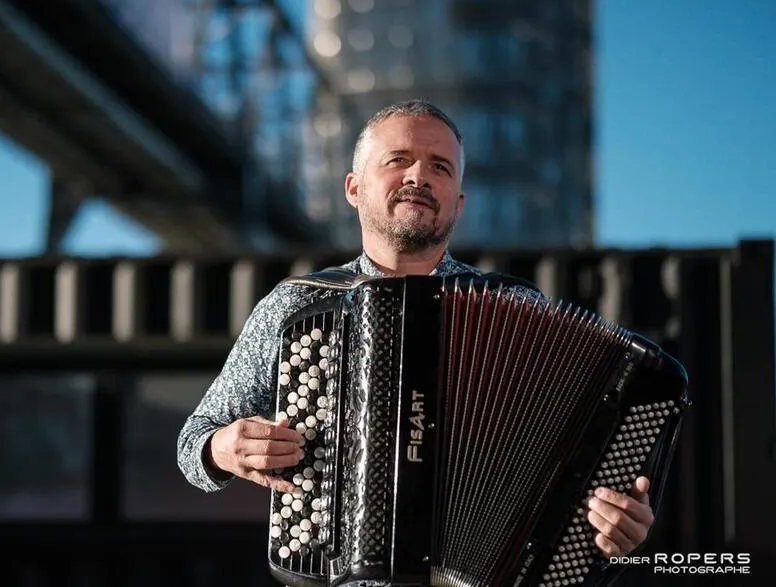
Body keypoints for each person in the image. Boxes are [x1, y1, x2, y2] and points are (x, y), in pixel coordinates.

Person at [176, 99, 656, 560]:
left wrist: (613, 522)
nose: (419, 177)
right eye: (398, 160)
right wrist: (223, 447)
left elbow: (578, 461)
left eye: (440, 168)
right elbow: (194, 441)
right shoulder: (297, 305)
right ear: (354, 187)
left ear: (458, 203)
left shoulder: (513, 306)